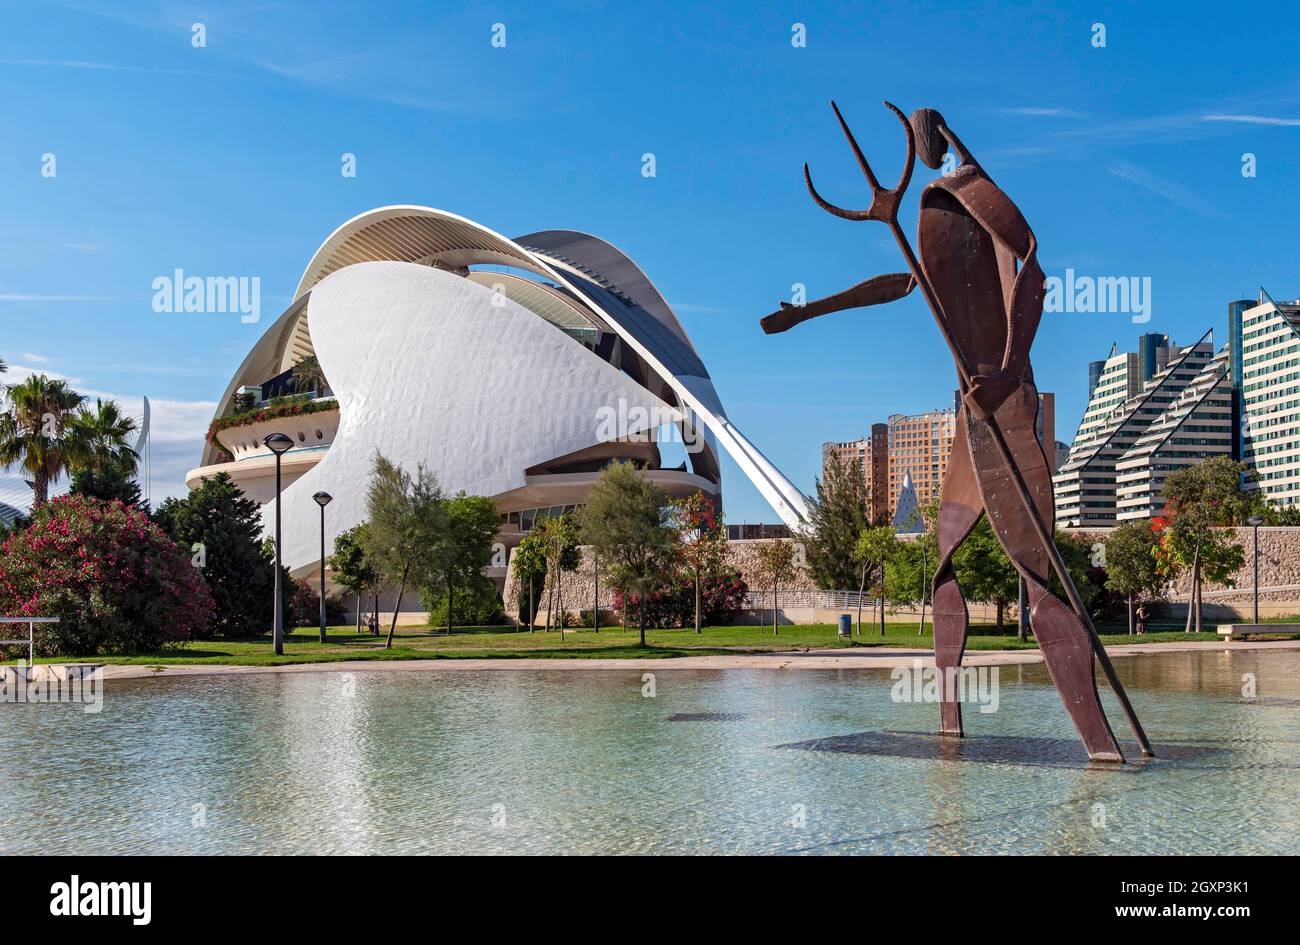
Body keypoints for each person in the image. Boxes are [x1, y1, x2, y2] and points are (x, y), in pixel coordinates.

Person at [763, 104, 1128, 761]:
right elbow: (901, 283)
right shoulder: (931, 209)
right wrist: (810, 311)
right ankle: (950, 724)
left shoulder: (971, 190)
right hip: (969, 415)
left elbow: (1034, 267)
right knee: (942, 566)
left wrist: (1011, 369)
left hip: (1003, 408)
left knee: (1041, 579)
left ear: (932, 139)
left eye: (925, 139)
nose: (925, 151)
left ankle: (1101, 744)